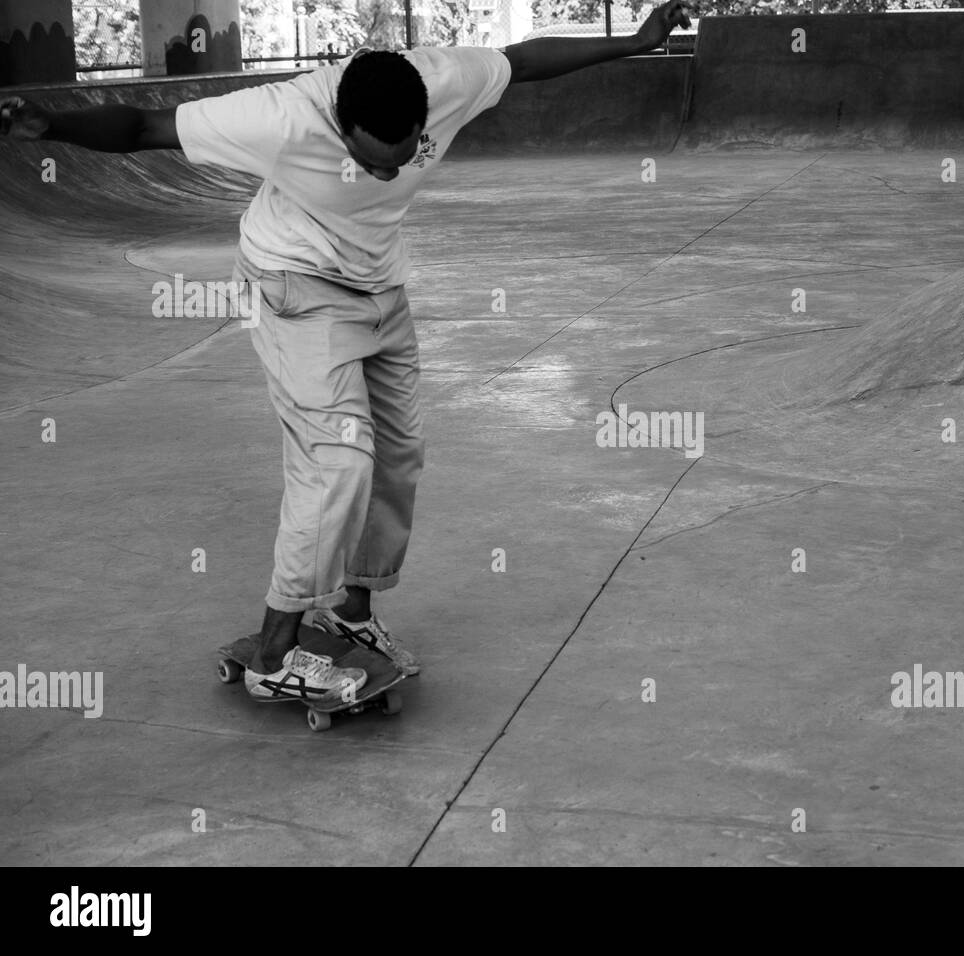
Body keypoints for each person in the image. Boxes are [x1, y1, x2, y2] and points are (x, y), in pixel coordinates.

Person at [0, 2, 693, 705]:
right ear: (340, 125)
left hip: (381, 287)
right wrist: (50, 125)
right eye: (368, 160)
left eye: (402, 157)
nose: (385, 173)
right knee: (338, 461)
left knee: (397, 455)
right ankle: (275, 654)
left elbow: (527, 60)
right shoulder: (280, 116)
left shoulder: (445, 78)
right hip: (294, 287)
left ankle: (353, 614)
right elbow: (147, 127)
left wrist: (633, 42)